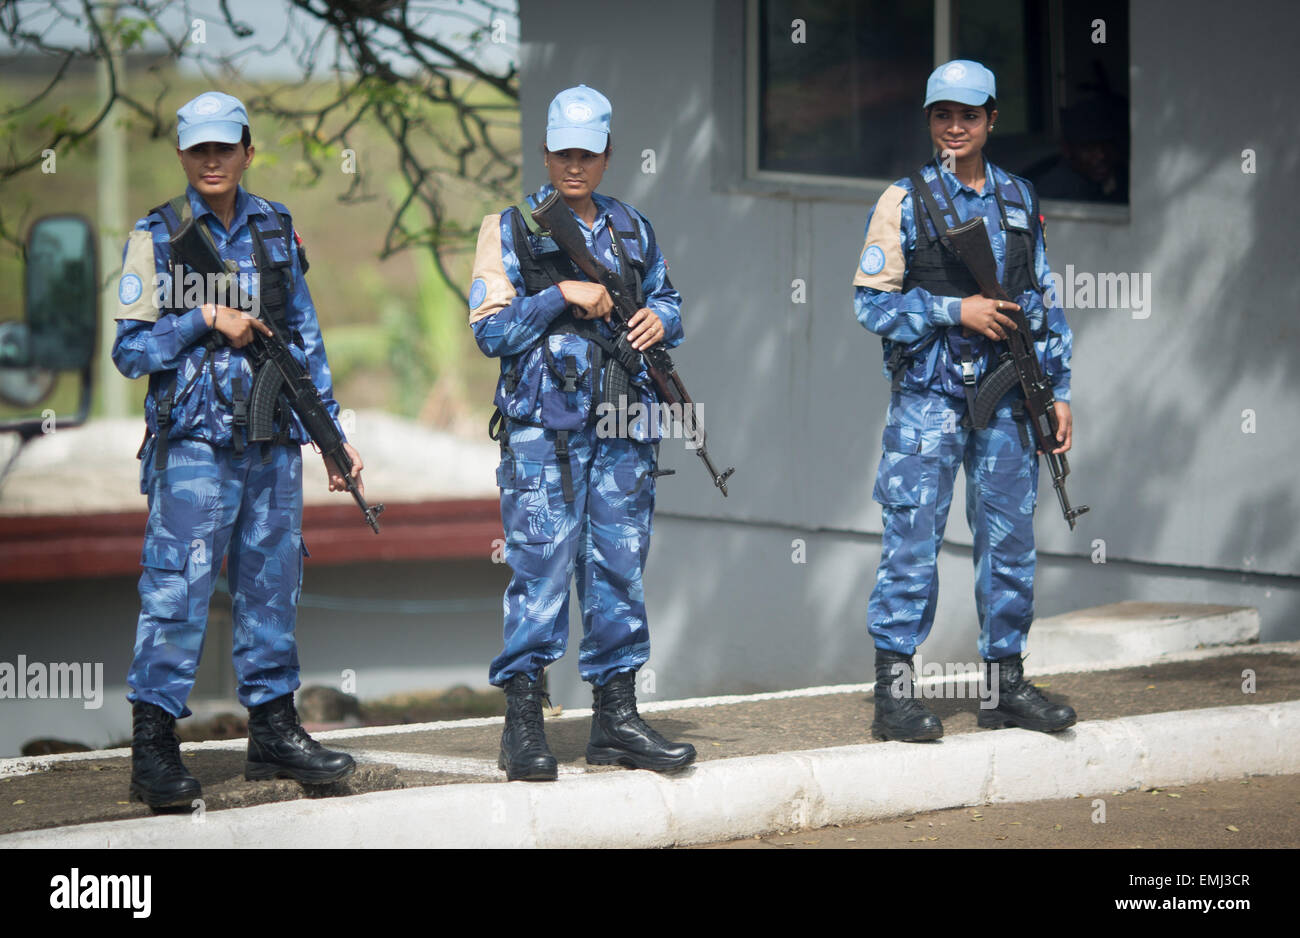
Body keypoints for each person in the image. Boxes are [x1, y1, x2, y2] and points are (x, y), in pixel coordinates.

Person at [113, 91, 364, 807]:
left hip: (273, 440)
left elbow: (303, 341)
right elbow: (129, 351)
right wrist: (201, 318)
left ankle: (275, 731)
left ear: (249, 151)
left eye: (226, 147)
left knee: (271, 586)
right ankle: (154, 745)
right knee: (177, 591)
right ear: (183, 155)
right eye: (200, 149)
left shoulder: (276, 229)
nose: (213, 159)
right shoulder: (155, 235)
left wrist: (334, 438)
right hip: (193, 445)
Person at [468, 84, 696, 781]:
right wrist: (558, 295)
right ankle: (525, 728)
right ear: (545, 151)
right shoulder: (509, 229)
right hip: (546, 436)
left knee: (618, 571)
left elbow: (669, 298)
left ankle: (617, 720)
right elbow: (490, 331)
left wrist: (663, 319)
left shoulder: (632, 228)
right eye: (562, 152)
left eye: (587, 154)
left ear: (605, 156)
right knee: (538, 575)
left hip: (625, 429)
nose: (574, 165)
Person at [852, 60, 1078, 741]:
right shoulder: (904, 200)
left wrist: (1059, 389)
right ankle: (895, 694)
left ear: (991, 120)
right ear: (928, 120)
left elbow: (1041, 298)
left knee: (1009, 540)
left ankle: (1005, 684)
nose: (956, 127)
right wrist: (957, 310)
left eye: (970, 116)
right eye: (943, 115)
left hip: (1008, 399)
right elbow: (870, 304)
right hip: (929, 398)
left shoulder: (1016, 196)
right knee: (912, 541)